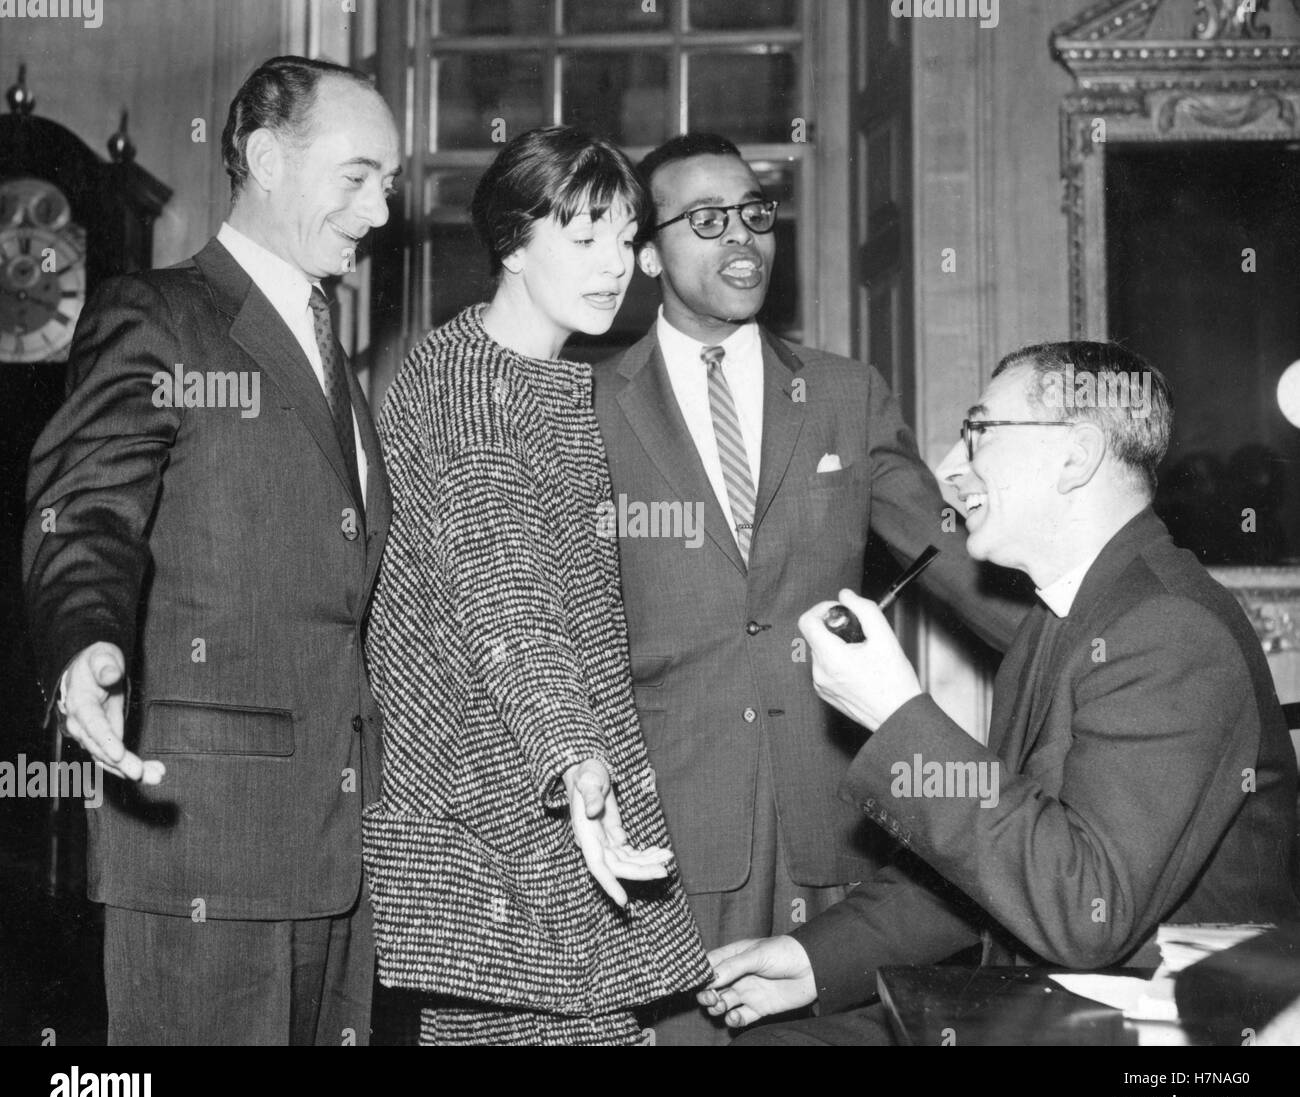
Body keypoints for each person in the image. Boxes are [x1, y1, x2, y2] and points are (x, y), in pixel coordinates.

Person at [697, 341, 1300, 1045]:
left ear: (1075, 455)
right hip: (1064, 1005)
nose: (953, 471)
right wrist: (812, 959)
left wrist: (896, 713)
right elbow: (991, 863)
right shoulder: (1061, 621)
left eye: (979, 434)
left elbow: (1084, 910)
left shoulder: (1169, 630)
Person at [592, 132, 1028, 1044]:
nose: (742, 237)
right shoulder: (585, 404)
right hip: (664, 836)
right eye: (705, 221)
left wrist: (1087, 636)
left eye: (755, 213)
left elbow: (955, 559)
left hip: (832, 828)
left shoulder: (841, 393)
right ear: (645, 251)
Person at [22, 57, 400, 1044]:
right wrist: (85, 640)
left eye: (390, 183)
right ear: (268, 158)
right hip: (206, 835)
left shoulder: (328, 349)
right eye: (357, 177)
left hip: (338, 841)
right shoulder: (159, 315)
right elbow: (86, 507)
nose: (380, 211)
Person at [363, 126, 711, 1046]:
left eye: (626, 237)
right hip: (502, 795)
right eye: (583, 236)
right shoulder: (475, 383)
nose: (617, 268)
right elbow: (503, 583)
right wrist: (574, 755)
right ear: (513, 245)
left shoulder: (527, 371)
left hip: (526, 785)